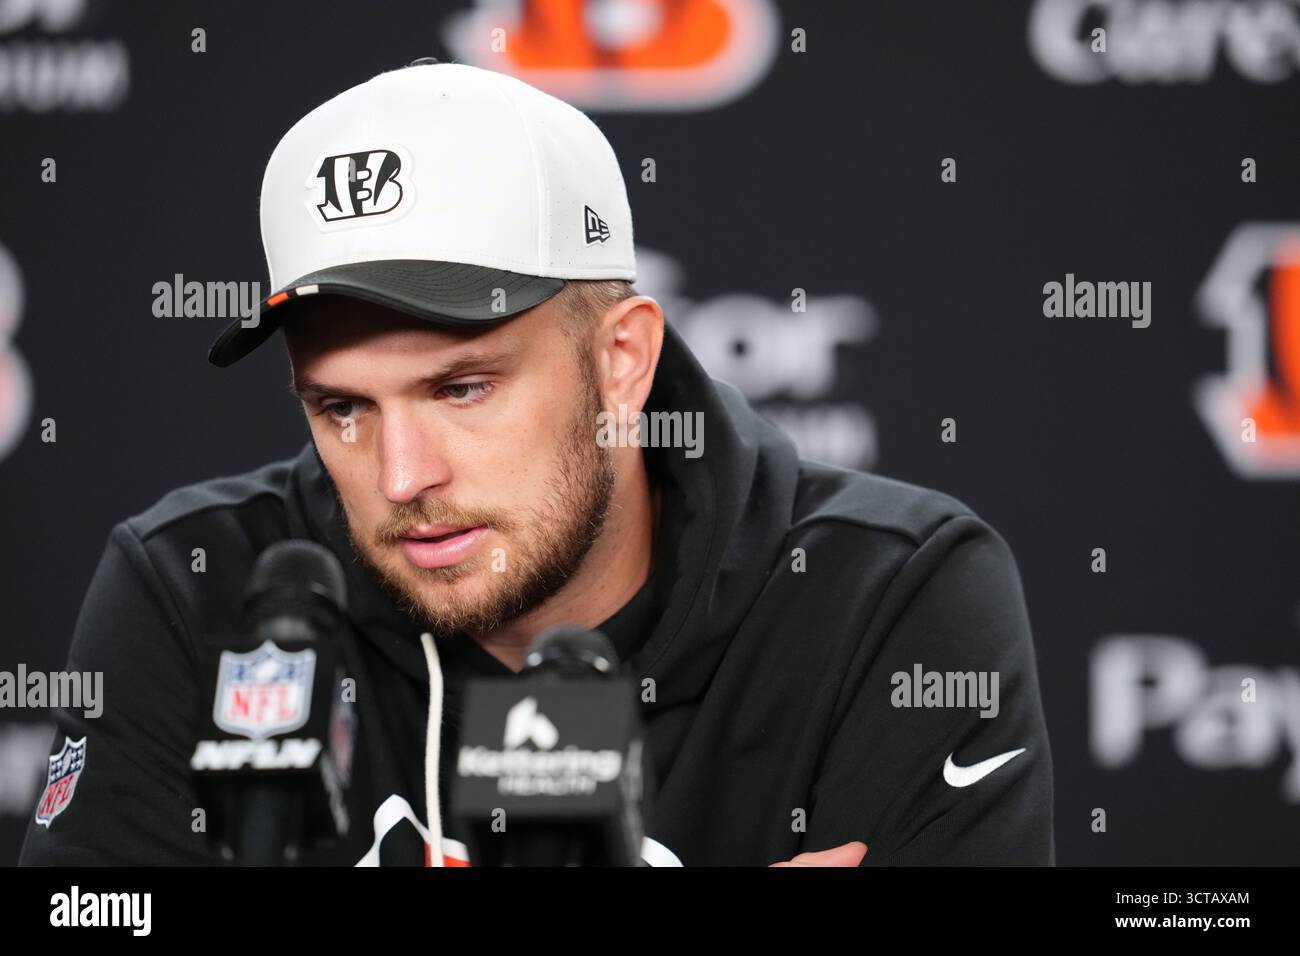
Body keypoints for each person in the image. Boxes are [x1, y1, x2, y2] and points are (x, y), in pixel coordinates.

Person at [20, 59, 1053, 866]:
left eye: (461, 388)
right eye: (342, 407)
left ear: (622, 362)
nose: (401, 476)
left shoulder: (886, 597)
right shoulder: (196, 591)